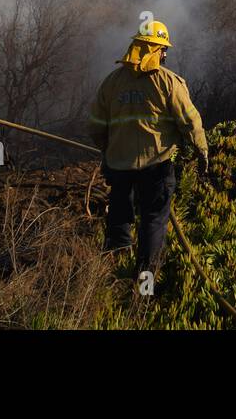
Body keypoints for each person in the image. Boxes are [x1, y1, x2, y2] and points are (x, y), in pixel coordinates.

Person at [89, 18, 208, 281]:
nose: (165, 53)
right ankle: (146, 275)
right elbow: (190, 120)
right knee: (153, 219)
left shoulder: (111, 83)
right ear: (154, 50)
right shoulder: (168, 82)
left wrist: (108, 151)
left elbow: (96, 125)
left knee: (119, 215)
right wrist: (202, 152)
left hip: (120, 165)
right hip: (157, 165)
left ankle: (111, 271)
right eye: (163, 48)